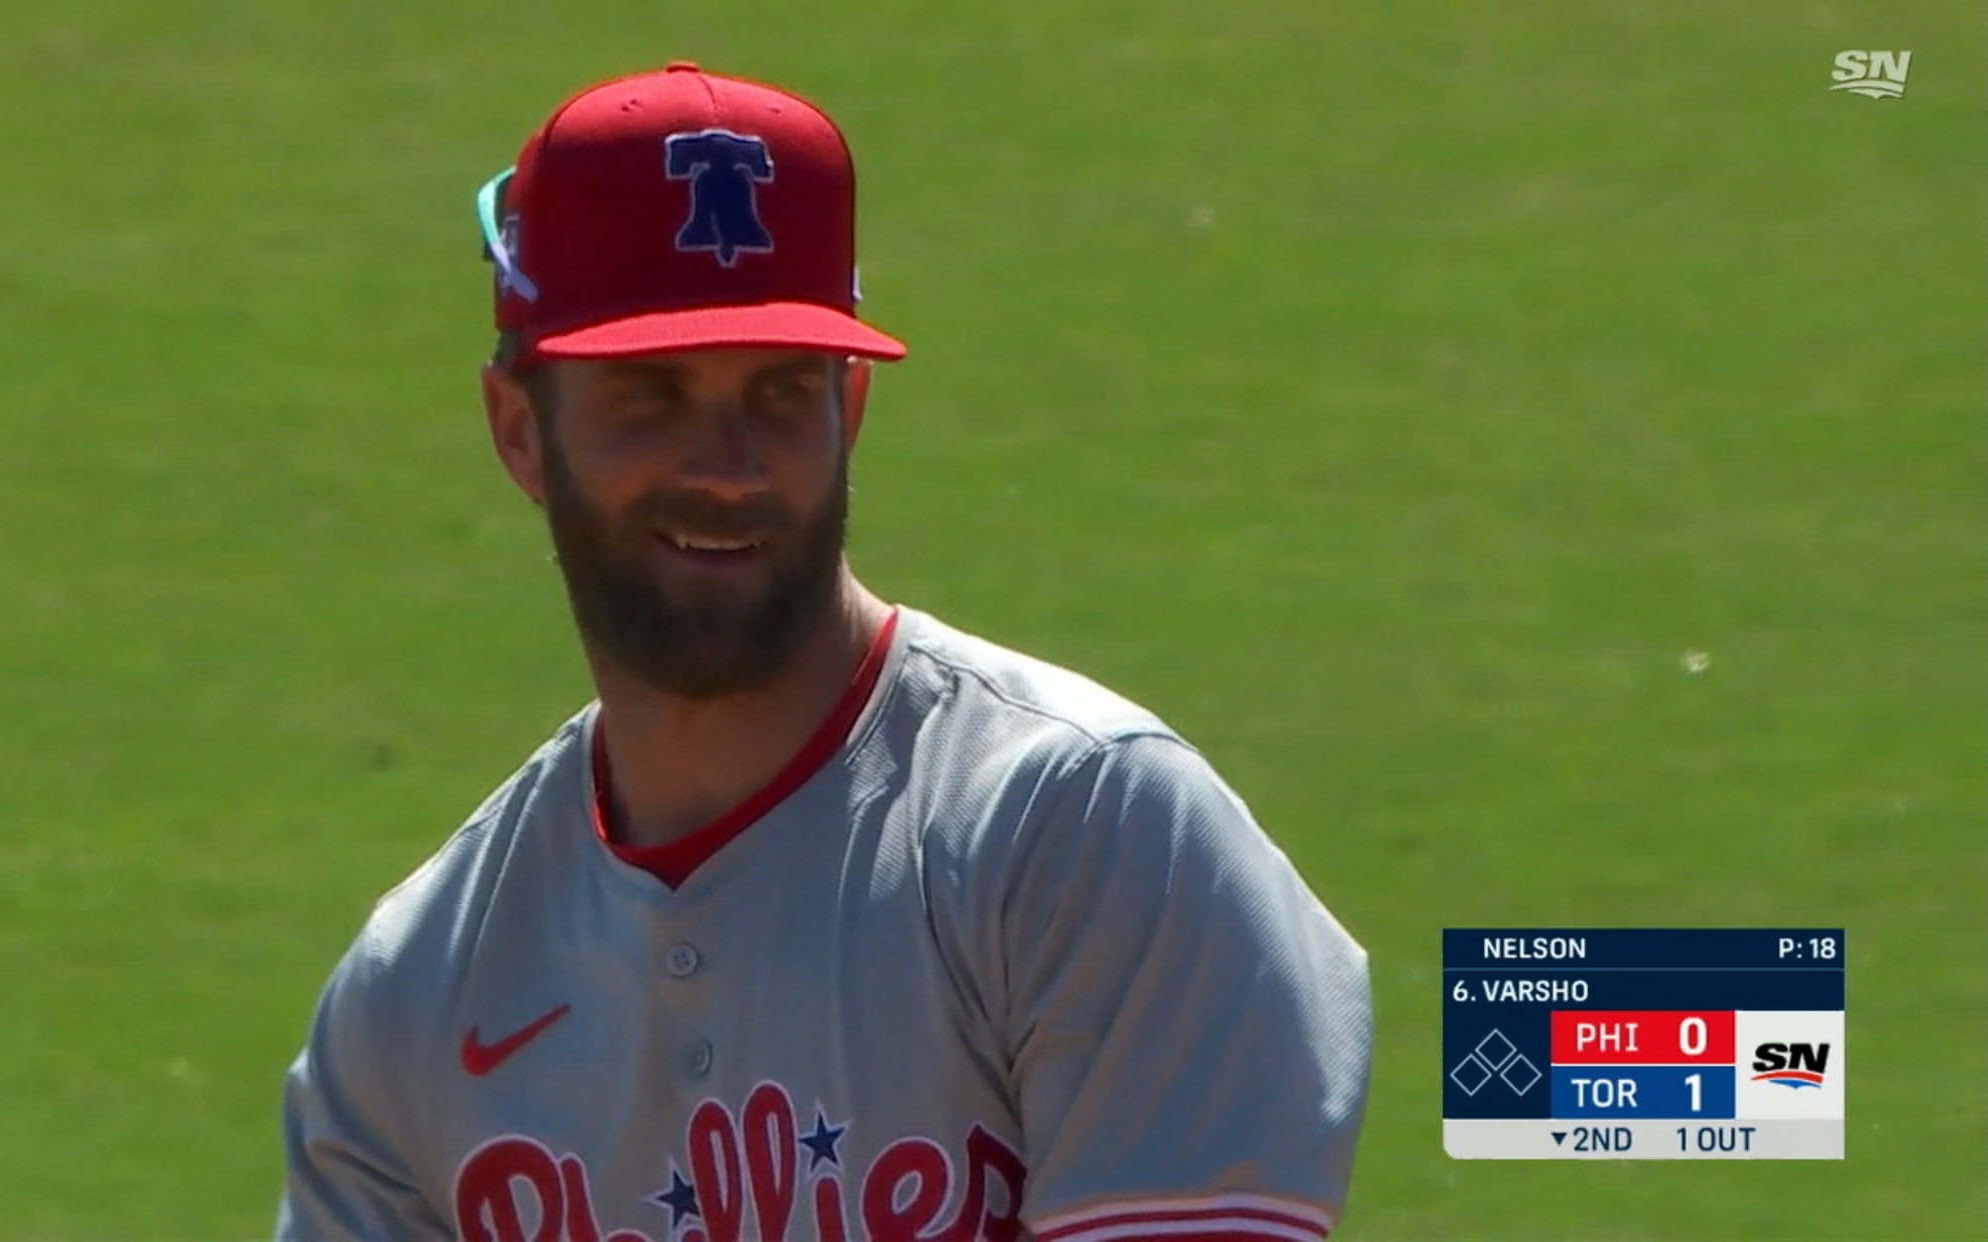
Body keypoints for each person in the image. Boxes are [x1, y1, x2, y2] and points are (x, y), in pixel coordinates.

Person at [276, 61, 1373, 1242]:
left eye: (782, 392)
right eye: (651, 394)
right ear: (517, 433)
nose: (729, 465)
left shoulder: (1081, 837)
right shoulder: (419, 996)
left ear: (849, 411)